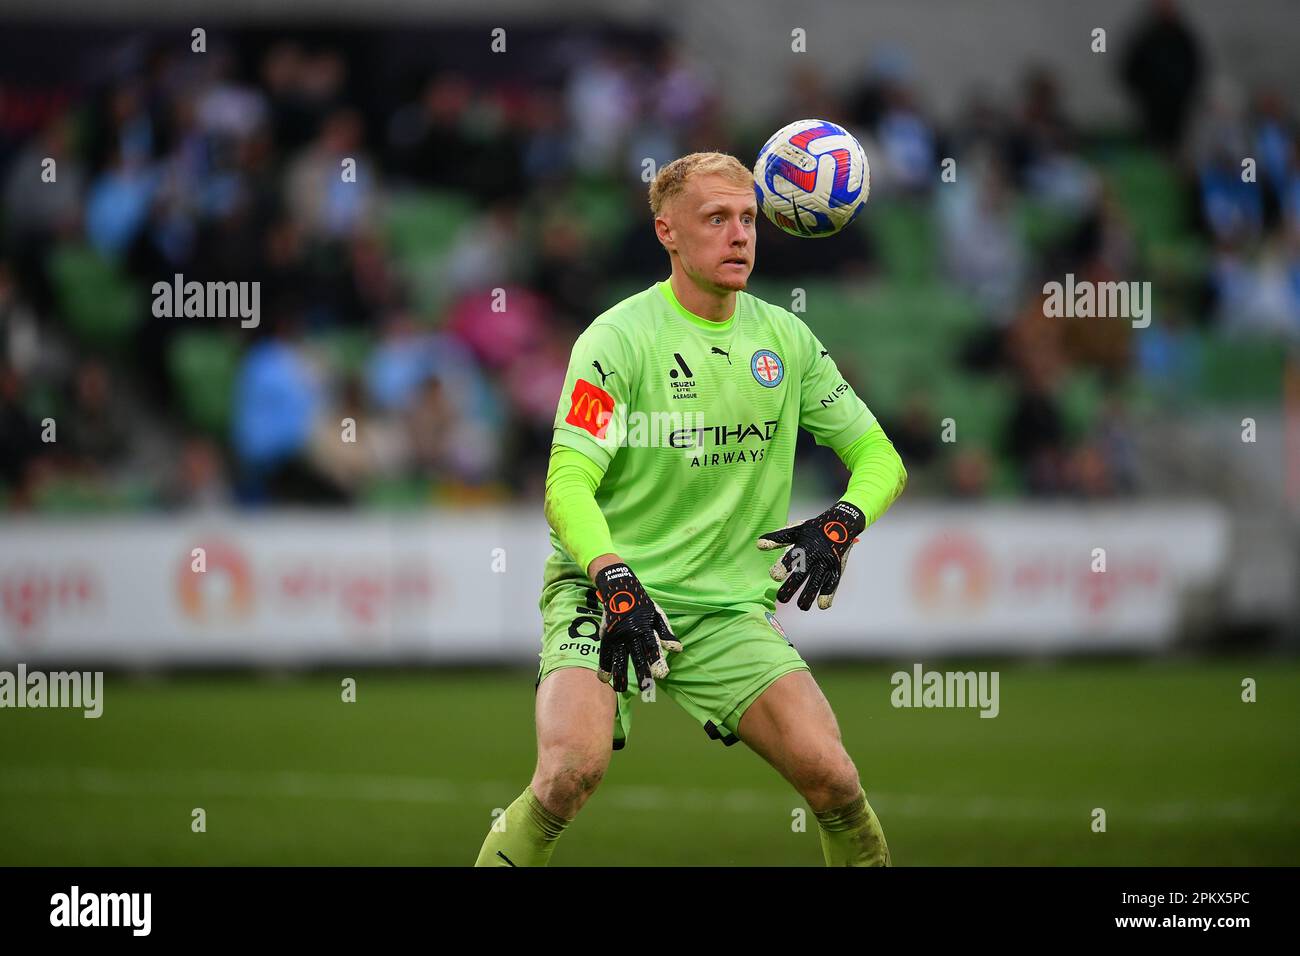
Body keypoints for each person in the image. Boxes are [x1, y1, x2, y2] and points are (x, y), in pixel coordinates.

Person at [474, 152, 907, 866]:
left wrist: (841, 524)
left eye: (747, 219)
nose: (739, 235)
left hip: (726, 608)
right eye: (716, 219)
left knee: (835, 779)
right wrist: (613, 577)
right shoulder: (618, 339)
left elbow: (880, 458)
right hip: (607, 592)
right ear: (667, 231)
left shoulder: (784, 341)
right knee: (568, 774)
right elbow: (567, 485)